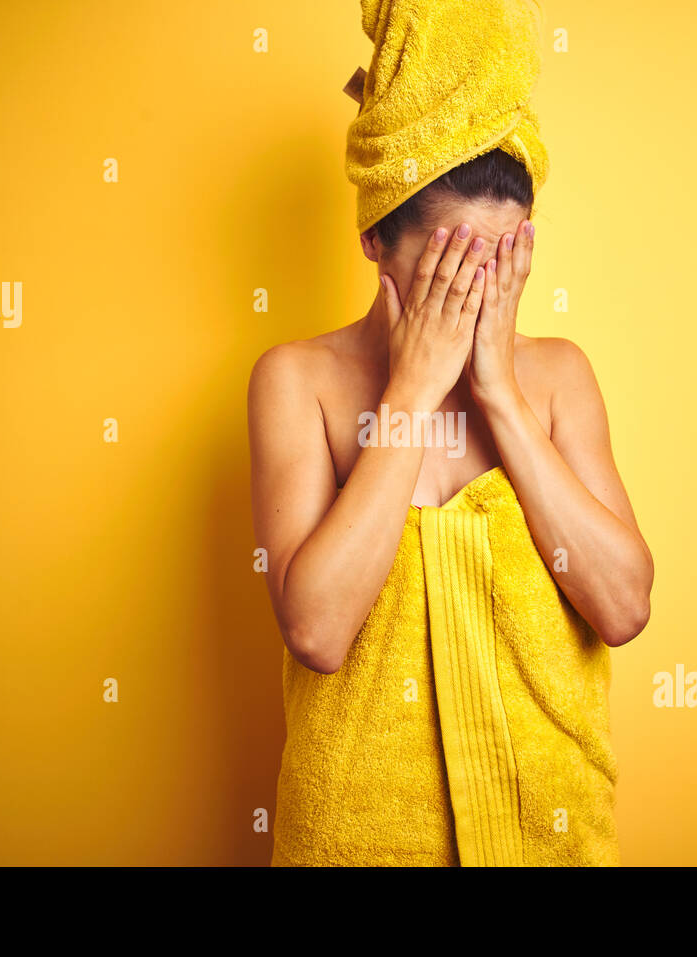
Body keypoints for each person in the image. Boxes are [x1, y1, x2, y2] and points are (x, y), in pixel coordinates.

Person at [248, 0, 654, 866]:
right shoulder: (299, 383)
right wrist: (416, 386)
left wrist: (499, 393)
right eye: (448, 263)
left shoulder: (558, 379)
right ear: (374, 241)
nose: (476, 294)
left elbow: (623, 605)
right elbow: (316, 629)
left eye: (501, 262)